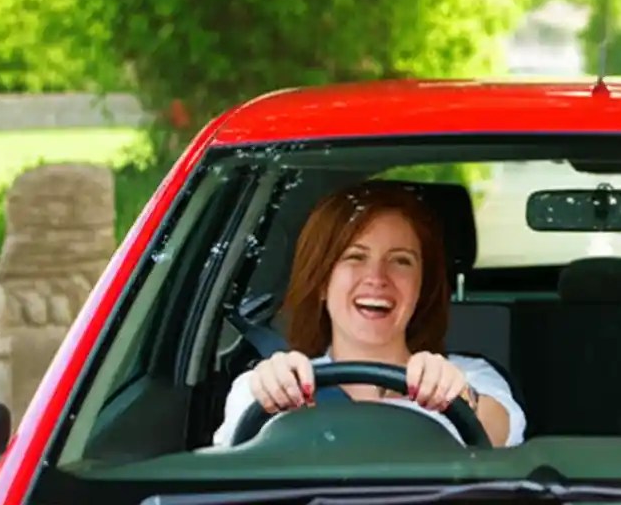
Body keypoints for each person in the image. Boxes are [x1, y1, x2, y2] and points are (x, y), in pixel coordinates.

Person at [213, 179, 526, 448]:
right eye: (355, 257)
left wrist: (458, 398)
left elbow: (498, 429)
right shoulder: (268, 383)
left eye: (400, 261)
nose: (377, 278)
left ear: (421, 286)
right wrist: (270, 397)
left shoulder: (472, 378)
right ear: (322, 281)